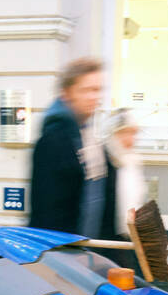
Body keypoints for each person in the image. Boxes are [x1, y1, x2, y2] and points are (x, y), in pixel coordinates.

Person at [28, 57, 117, 240]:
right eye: (87, 90)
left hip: (91, 250)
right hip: (65, 253)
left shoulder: (88, 136)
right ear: (66, 93)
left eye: (98, 90)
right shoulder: (53, 141)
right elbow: (47, 211)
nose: (95, 97)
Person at [104, 107, 147, 239]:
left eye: (133, 133)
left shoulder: (131, 162)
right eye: (125, 133)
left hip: (129, 235)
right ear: (114, 134)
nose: (131, 139)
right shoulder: (107, 163)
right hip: (110, 236)